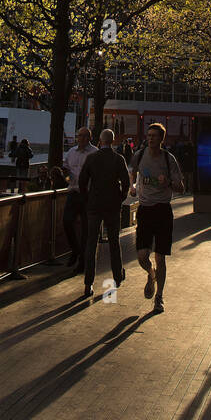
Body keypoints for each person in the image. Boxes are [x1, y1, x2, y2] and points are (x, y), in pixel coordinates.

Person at [129, 122, 184, 314]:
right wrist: (132, 186)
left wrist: (168, 182)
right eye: (149, 135)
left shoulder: (169, 160)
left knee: (161, 257)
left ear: (162, 139)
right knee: (142, 256)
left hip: (162, 210)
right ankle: (150, 274)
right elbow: (132, 170)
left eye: (154, 136)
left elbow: (181, 188)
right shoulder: (139, 155)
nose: (150, 139)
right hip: (145, 209)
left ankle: (159, 297)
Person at [79, 128, 130, 299]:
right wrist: (120, 198)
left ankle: (88, 283)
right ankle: (116, 276)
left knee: (91, 243)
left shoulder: (92, 158)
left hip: (94, 204)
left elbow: (82, 181)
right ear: (113, 141)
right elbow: (126, 182)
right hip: (112, 205)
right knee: (114, 242)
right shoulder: (118, 159)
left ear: (100, 141)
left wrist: (88, 198)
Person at [62, 128, 97, 269]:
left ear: (89, 138)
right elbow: (66, 168)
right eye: (79, 136)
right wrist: (65, 176)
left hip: (88, 194)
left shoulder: (94, 153)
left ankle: (82, 260)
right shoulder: (71, 152)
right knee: (66, 221)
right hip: (73, 192)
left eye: (83, 136)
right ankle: (75, 250)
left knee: (86, 229)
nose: (80, 138)